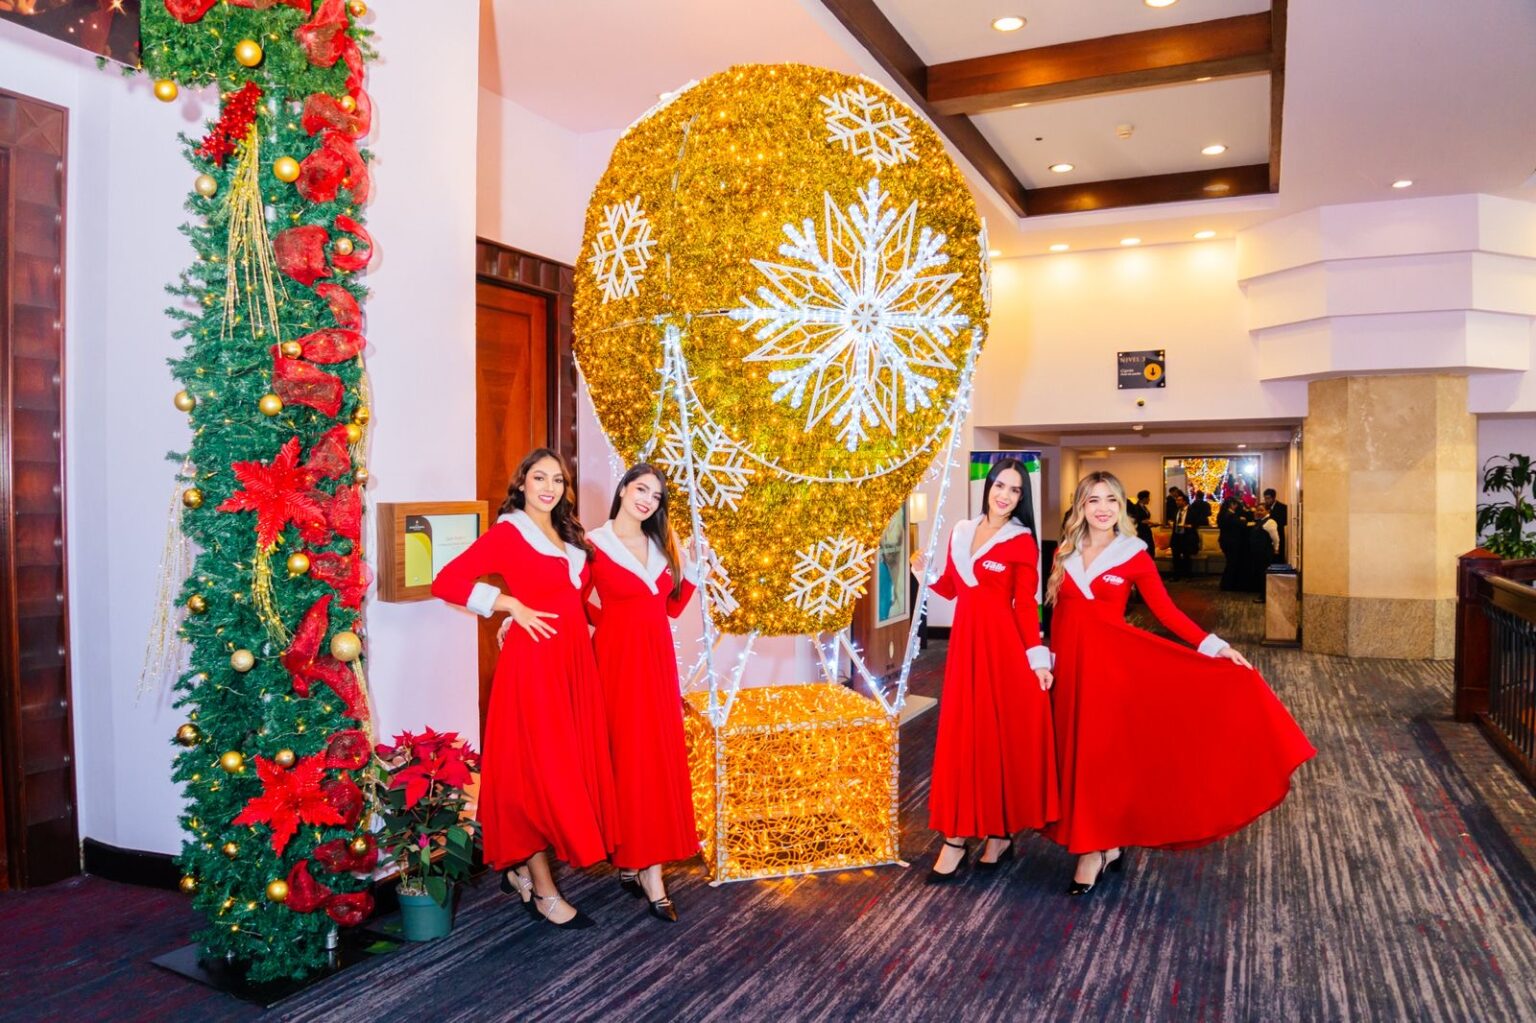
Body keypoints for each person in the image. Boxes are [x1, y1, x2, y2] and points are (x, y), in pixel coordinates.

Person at [1043, 471, 1314, 895]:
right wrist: (1048, 661)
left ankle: (1093, 849)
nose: (1102, 508)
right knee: (1073, 756)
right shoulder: (1064, 551)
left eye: (1111, 500)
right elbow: (1058, 616)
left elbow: (1166, 613)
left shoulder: (1133, 553)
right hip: (1070, 673)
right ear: (1080, 506)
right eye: (1093, 500)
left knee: (1101, 759)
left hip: (1113, 672)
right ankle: (1106, 843)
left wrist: (1215, 646)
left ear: (1122, 507)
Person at [431, 447, 615, 929]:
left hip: (573, 667)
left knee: (565, 769)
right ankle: (543, 890)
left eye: (557, 478)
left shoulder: (568, 536)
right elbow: (446, 581)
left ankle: (522, 870)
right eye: (539, 477)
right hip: (533, 669)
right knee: (538, 774)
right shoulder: (509, 533)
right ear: (522, 484)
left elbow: (573, 602)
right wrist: (509, 606)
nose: (549, 486)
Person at [911, 458, 1057, 881]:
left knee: (996, 739)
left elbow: (1026, 606)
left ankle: (997, 833)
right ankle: (959, 835)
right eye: (1000, 485)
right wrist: (925, 573)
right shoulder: (960, 531)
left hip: (1003, 649)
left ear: (1021, 498)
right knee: (964, 736)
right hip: (965, 648)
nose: (1005, 495)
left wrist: (1037, 659)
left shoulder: (1021, 542)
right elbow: (954, 590)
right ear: (988, 486)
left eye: (1015, 490)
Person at [580, 464, 701, 923]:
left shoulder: (662, 545)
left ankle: (645, 866)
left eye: (656, 495)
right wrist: (604, 625)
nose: (647, 499)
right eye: (641, 489)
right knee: (626, 761)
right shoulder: (593, 544)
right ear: (624, 489)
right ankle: (641, 866)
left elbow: (668, 608)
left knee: (654, 760)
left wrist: (691, 575)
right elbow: (573, 601)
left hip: (656, 664)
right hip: (615, 665)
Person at [1216, 497, 1249, 592]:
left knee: (1230, 562)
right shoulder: (1230, 515)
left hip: (1225, 541)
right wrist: (1242, 520)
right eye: (1236, 504)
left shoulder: (1222, 514)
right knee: (1231, 563)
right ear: (1232, 505)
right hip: (1231, 542)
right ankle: (1227, 584)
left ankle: (1227, 584)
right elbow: (1239, 525)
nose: (1237, 506)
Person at [1169, 492, 1197, 579]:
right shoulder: (1176, 510)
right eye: (1176, 500)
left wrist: (1189, 526)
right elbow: (1174, 521)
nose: (1177, 502)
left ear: (1184, 501)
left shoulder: (1192, 510)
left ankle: (1187, 575)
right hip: (1176, 536)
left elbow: (1197, 523)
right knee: (1176, 557)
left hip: (1187, 537)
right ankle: (1176, 575)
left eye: (1179, 500)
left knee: (1186, 557)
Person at [1264, 488, 1289, 560]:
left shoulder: (1282, 507)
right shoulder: (1265, 507)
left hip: (1278, 533)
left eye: (1268, 498)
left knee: (1278, 557)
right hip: (1267, 537)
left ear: (1274, 498)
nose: (1266, 501)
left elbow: (1284, 521)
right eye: (1265, 498)